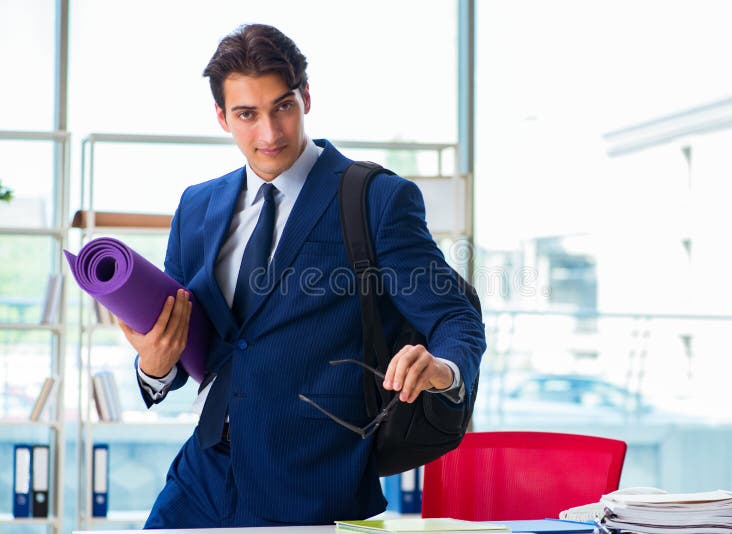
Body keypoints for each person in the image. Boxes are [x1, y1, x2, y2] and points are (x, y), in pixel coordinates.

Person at [118, 23, 485, 529]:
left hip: (318, 480)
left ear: (305, 97)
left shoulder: (375, 199)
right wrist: (155, 367)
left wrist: (442, 368)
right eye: (247, 114)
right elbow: (184, 346)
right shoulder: (197, 206)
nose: (270, 133)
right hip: (205, 474)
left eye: (282, 107)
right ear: (222, 117)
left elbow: (455, 317)